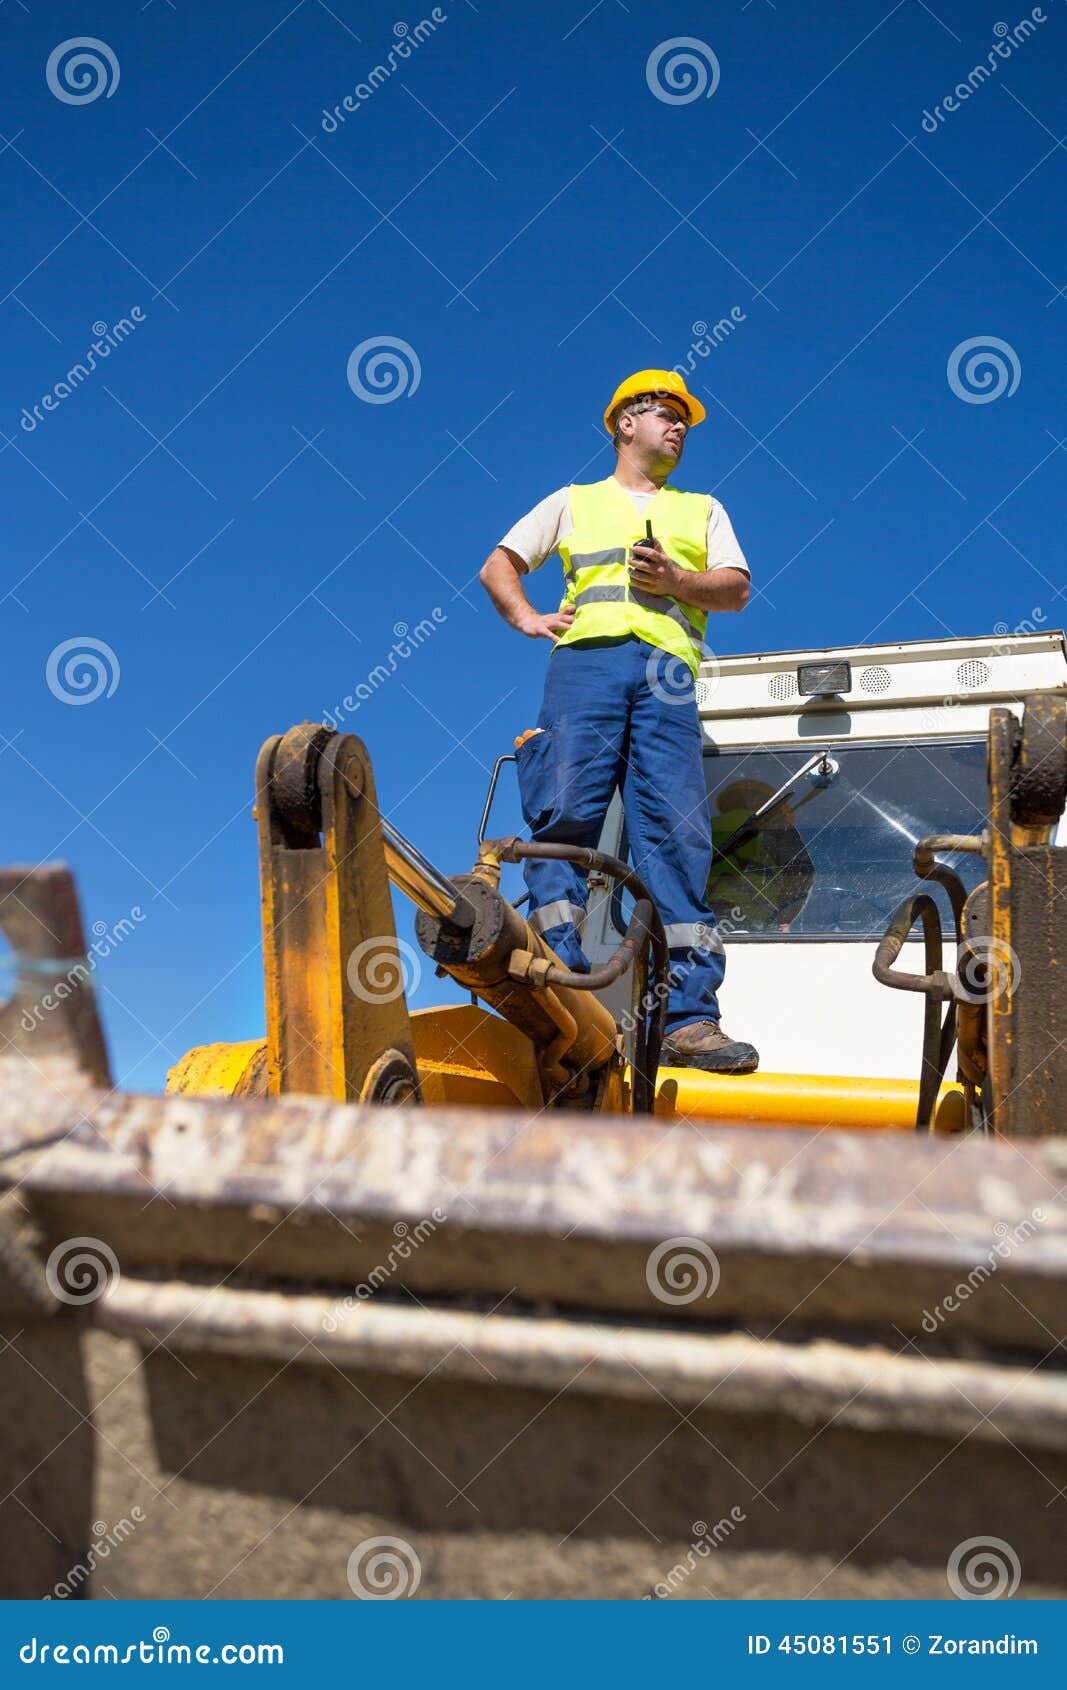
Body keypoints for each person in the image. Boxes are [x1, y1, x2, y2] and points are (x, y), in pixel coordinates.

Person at [478, 369, 759, 1073]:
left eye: (684, 420)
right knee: (565, 820)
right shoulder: (572, 502)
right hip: (586, 667)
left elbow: (735, 589)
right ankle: (559, 992)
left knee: (675, 836)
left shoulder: (702, 510)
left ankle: (688, 1020)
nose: (679, 427)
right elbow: (497, 567)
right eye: (666, 414)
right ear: (623, 424)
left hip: (666, 678)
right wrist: (528, 617)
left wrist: (676, 583)